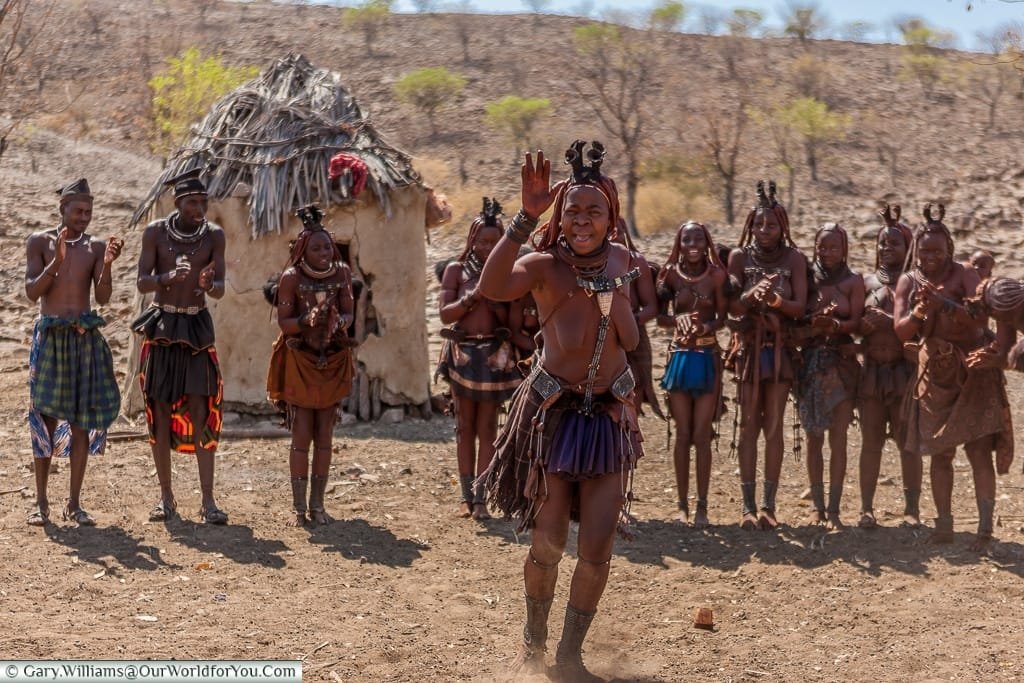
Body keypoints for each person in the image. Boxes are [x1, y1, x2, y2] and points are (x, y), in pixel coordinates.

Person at [478, 141, 643, 680]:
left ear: (611, 216)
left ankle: (570, 656)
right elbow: (492, 285)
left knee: (596, 549)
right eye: (572, 210)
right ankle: (535, 643)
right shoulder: (545, 266)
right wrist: (526, 217)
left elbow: (633, 334)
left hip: (609, 418)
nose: (581, 220)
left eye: (593, 210)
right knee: (547, 544)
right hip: (554, 418)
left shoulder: (622, 262)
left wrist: (616, 307)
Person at [894, 204, 1013, 551]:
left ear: (949, 250)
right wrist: (920, 310)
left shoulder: (963, 274)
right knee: (940, 454)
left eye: (937, 250)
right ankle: (943, 525)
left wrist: (945, 304)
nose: (930, 256)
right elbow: (901, 332)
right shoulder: (908, 281)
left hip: (973, 371)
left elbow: (981, 320)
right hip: (935, 375)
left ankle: (984, 531)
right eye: (924, 250)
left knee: (979, 452)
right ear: (915, 251)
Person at [24, 178, 123, 526]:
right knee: (45, 419)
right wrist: (57, 261)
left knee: (81, 422)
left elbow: (104, 297)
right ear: (62, 207)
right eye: (78, 210)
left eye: (89, 211)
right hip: (50, 339)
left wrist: (108, 263)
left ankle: (74, 503)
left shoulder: (95, 247)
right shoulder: (39, 242)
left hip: (82, 339)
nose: (84, 217)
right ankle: (40, 503)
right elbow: (32, 293)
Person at [133, 167, 228, 524]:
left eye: (203, 202)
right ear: (178, 203)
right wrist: (166, 277)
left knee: (201, 410)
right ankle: (166, 499)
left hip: (196, 328)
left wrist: (207, 282)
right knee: (158, 413)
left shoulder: (214, 236)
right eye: (192, 202)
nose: (199, 208)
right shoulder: (155, 233)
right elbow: (143, 282)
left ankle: (208, 501)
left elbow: (220, 287)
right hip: (162, 326)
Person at [725, 181, 807, 530]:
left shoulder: (795, 259)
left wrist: (775, 302)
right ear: (750, 225)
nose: (764, 230)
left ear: (783, 227)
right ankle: (746, 507)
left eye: (771, 225)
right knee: (747, 427)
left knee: (773, 427)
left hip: (778, 353)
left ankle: (768, 507)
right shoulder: (739, 258)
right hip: (747, 352)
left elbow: (800, 306)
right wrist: (749, 297)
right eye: (758, 224)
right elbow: (729, 306)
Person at [266, 205, 355, 526]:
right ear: (303, 249)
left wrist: (336, 322)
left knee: (325, 437)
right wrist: (307, 320)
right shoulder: (292, 278)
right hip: (300, 361)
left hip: (331, 359)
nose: (323, 253)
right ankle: (299, 509)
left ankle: (318, 506)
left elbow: (349, 314)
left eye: (327, 246)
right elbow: (285, 323)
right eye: (316, 247)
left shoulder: (342, 273)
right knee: (301, 435)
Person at [436, 198, 521, 520]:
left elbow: (511, 324)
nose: (487, 247)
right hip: (462, 355)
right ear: (471, 240)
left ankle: (482, 498)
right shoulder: (456, 271)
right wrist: (474, 296)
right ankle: (465, 496)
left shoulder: (509, 272)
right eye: (482, 241)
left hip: (494, 358)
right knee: (464, 428)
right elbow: (446, 314)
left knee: (488, 429)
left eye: (494, 242)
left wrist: (496, 294)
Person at [656, 220, 726, 527]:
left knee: (702, 434)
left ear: (707, 242)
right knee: (682, 433)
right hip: (681, 358)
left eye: (699, 238)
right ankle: (682, 505)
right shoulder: (669, 274)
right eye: (687, 239)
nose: (693, 244)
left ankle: (702, 506)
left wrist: (709, 326)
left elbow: (724, 316)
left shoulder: (717, 275)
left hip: (708, 356)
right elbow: (659, 317)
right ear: (679, 243)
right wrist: (677, 321)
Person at [793, 223, 863, 529]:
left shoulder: (854, 281)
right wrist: (812, 324)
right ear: (815, 246)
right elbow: (793, 319)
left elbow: (859, 323)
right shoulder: (806, 280)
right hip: (809, 365)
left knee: (839, 438)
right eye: (823, 246)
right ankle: (817, 508)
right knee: (813, 438)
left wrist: (836, 326)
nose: (828, 252)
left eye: (834, 247)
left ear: (844, 249)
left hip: (843, 366)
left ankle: (834, 509)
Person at [857, 205, 921, 529]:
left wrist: (888, 321)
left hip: (904, 373)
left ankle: (912, 510)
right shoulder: (866, 281)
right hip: (871, 373)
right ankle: (866, 509)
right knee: (870, 442)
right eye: (882, 243)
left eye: (894, 243)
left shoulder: (915, 283)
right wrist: (862, 327)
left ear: (908, 247)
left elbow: (922, 326)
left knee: (907, 443)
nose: (886, 248)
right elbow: (853, 324)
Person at [615, 220, 664, 420]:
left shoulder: (636, 262)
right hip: (594, 338)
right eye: (607, 231)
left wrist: (627, 323)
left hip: (631, 335)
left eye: (617, 231)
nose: (613, 236)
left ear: (625, 233)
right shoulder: (584, 261)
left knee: (632, 384)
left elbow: (652, 307)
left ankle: (629, 439)